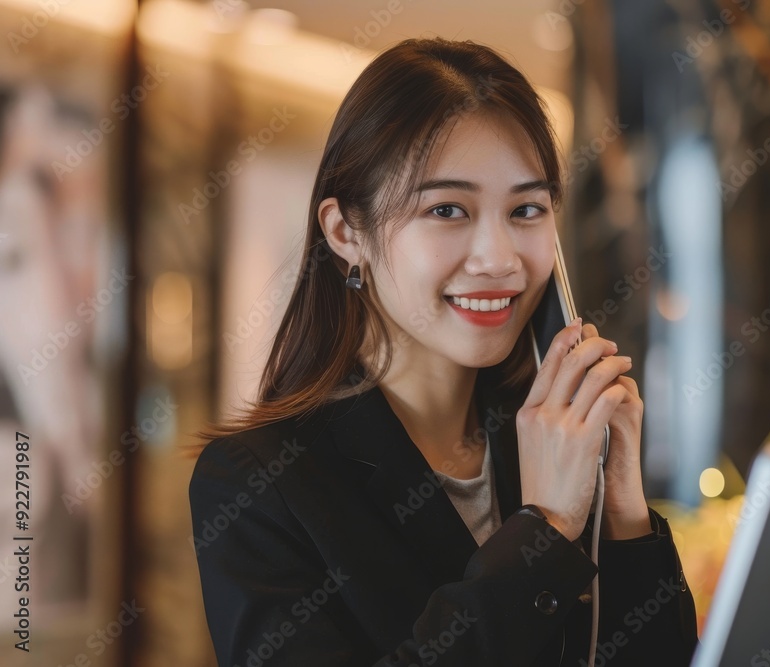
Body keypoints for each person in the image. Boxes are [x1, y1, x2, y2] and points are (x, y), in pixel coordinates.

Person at [187, 37, 698, 666]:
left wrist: (621, 509)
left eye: (527, 209)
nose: (500, 259)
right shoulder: (258, 484)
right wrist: (542, 531)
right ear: (347, 232)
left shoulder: (549, 439)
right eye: (449, 209)